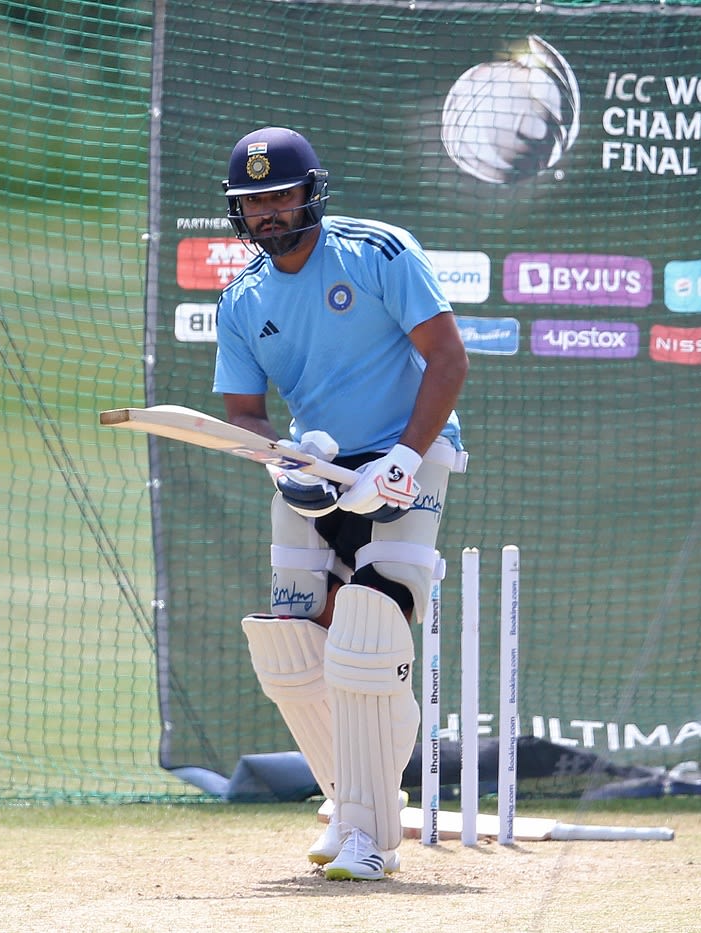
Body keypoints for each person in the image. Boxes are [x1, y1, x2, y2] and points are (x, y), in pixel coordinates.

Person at [212, 126, 468, 881]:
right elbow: (244, 413)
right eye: (251, 202)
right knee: (288, 639)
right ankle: (355, 808)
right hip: (317, 459)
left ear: (311, 193)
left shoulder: (376, 251)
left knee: (373, 617)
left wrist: (403, 458)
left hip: (407, 448)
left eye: (279, 195)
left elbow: (448, 357)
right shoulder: (240, 297)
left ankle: (372, 839)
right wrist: (283, 464)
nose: (267, 212)